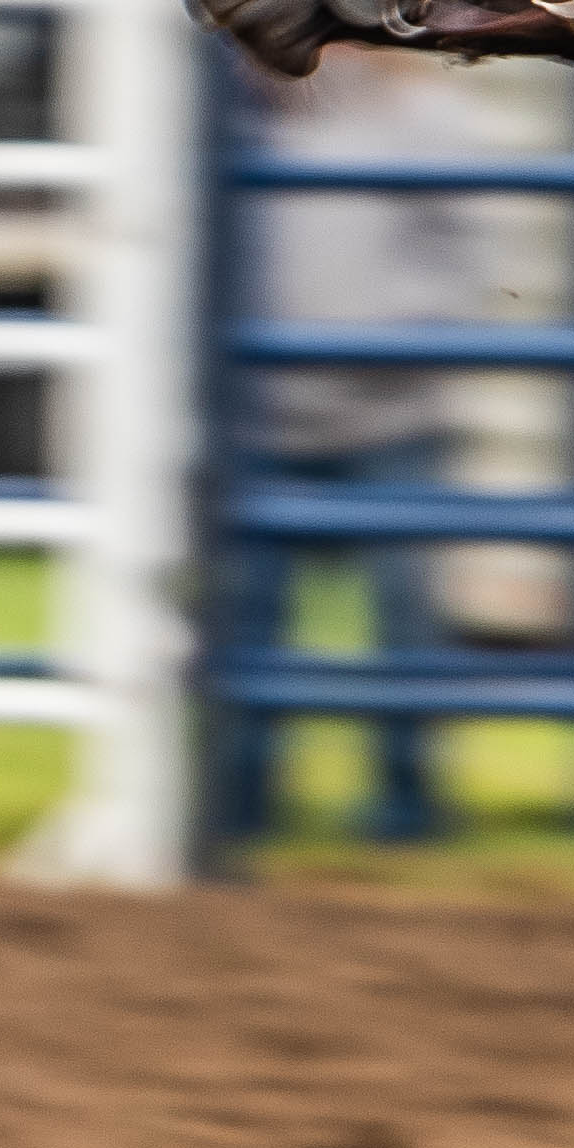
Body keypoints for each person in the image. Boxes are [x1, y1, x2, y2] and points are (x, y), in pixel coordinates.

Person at [227, 43, 485, 844]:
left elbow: (470, 258)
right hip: (261, 410)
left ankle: (406, 803)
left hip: (393, 411)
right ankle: (246, 792)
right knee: (249, 619)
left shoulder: (428, 121)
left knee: (404, 621)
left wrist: (403, 338)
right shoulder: (238, 116)